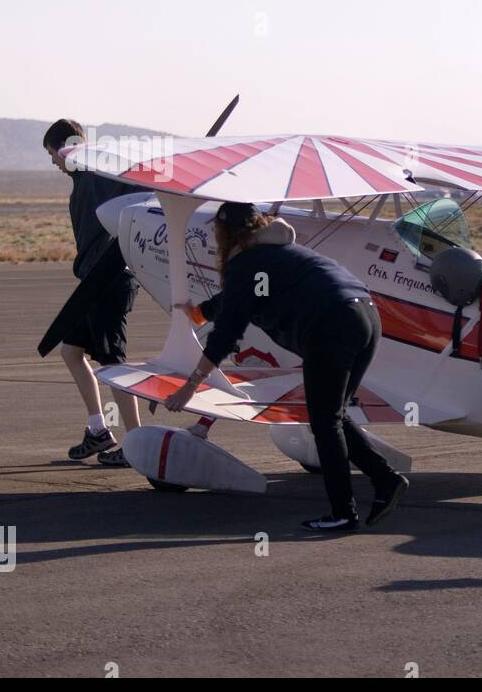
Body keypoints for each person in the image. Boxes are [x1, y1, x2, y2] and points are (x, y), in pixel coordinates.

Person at [162, 202, 409, 532]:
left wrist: (191, 384)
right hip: (365, 317)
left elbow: (227, 334)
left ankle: (343, 512)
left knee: (324, 421)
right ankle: (385, 481)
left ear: (226, 232)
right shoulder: (273, 252)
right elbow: (245, 295)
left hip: (330, 326)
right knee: (331, 416)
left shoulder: (246, 262)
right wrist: (202, 312)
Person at [43, 119, 143, 467]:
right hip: (92, 281)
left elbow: (136, 189)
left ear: (63, 147)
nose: (53, 161)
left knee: (114, 362)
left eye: (52, 153)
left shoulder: (101, 172)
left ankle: (136, 444)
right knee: (71, 351)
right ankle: (98, 430)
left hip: (111, 279)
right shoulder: (83, 178)